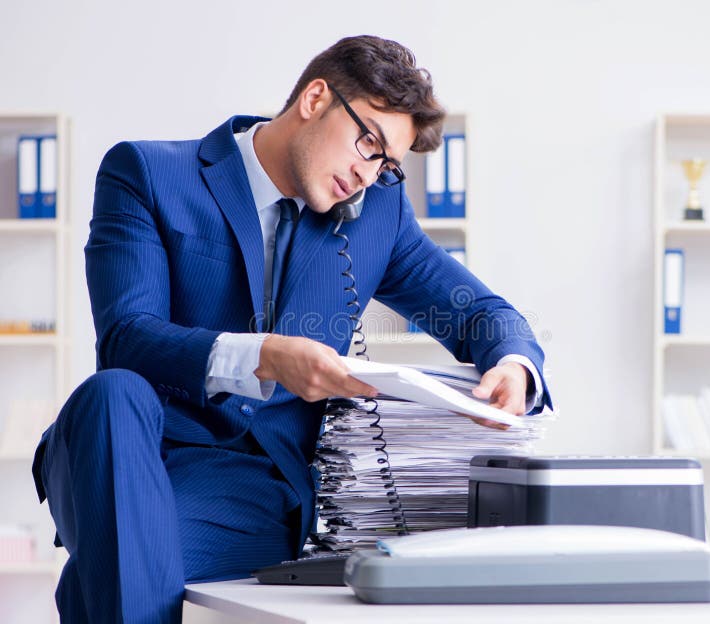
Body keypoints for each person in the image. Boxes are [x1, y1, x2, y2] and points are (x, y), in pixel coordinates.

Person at [32, 35, 551, 622]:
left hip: (246, 486)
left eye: (386, 165)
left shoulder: (378, 216)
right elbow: (127, 336)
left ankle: (101, 573)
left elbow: (481, 311)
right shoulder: (147, 173)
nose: (367, 173)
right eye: (368, 142)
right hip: (118, 446)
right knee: (113, 391)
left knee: (113, 565)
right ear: (314, 98)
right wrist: (265, 357)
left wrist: (515, 363)